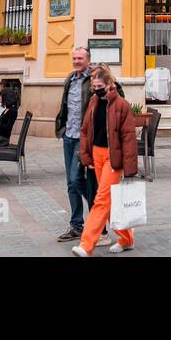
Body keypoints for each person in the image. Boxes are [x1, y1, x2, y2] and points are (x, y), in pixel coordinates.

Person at [71, 65, 138, 257]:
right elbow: (85, 130)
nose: (96, 89)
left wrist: (130, 168)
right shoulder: (93, 102)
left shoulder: (121, 105)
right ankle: (127, 238)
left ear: (110, 84)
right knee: (109, 201)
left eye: (99, 85)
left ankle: (86, 245)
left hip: (113, 157)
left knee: (100, 199)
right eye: (94, 86)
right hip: (97, 155)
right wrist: (86, 157)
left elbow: (129, 137)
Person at [55, 47, 98, 242]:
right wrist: (62, 128)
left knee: (75, 180)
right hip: (69, 136)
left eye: (80, 58)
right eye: (74, 58)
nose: (76, 61)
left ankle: (101, 209)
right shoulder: (70, 79)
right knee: (71, 183)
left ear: (88, 60)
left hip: (84, 138)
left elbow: (115, 95)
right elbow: (65, 105)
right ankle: (77, 225)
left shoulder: (95, 78)